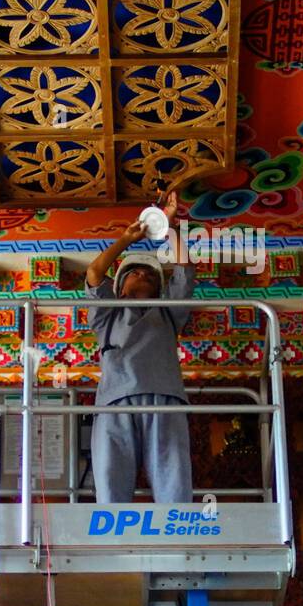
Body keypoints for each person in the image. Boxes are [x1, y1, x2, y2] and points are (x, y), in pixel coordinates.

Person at [85, 190, 193, 503]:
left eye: (150, 274)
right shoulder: (107, 314)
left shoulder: (168, 312)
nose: (143, 273)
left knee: (174, 482)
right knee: (110, 483)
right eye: (133, 272)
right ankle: (112, 543)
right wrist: (125, 240)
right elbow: (94, 274)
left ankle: (179, 542)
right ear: (118, 288)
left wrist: (169, 228)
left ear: (160, 289)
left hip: (165, 399)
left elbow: (185, 272)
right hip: (115, 401)